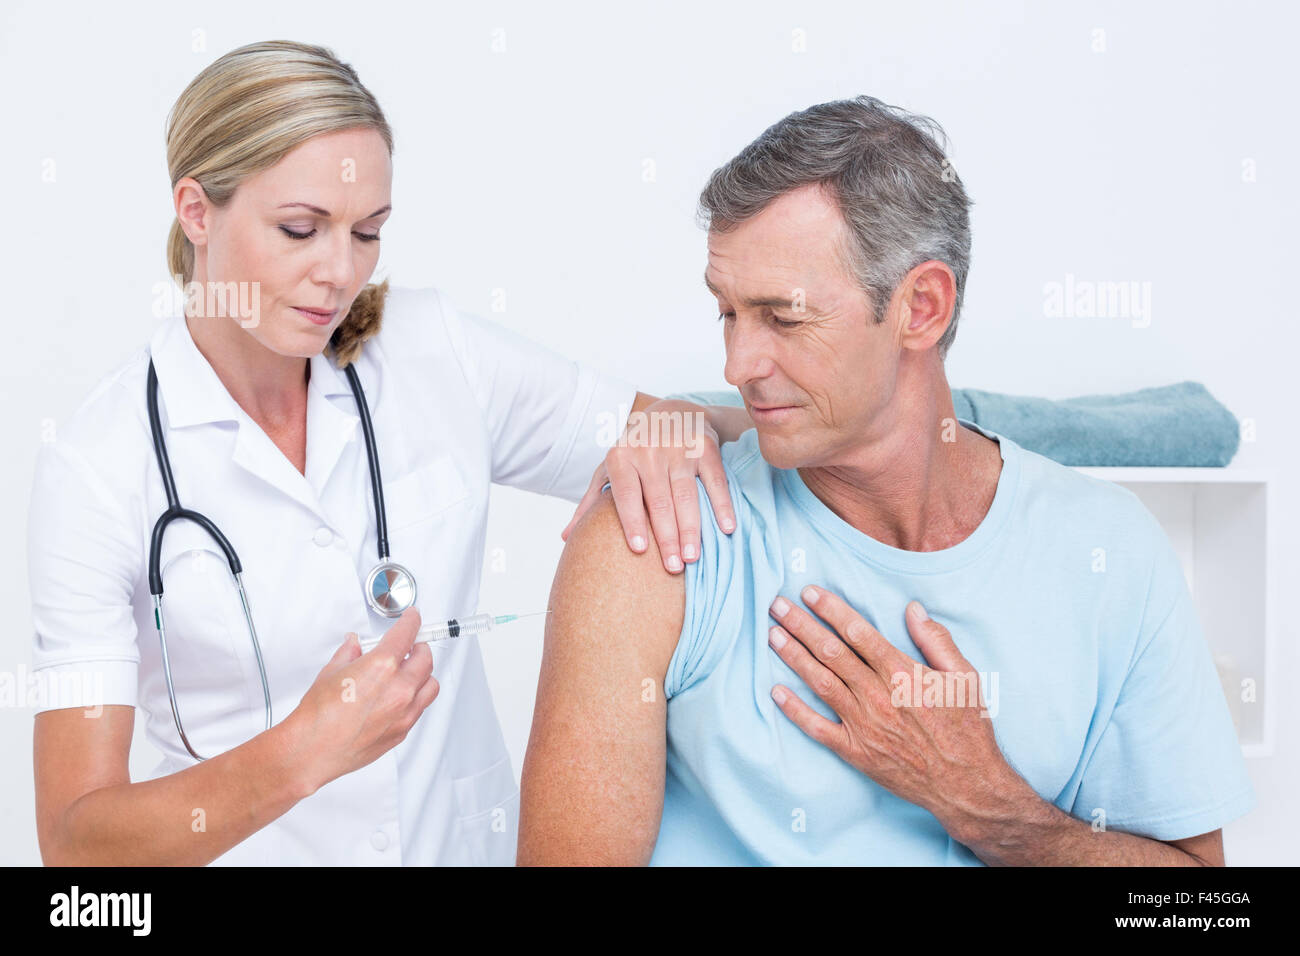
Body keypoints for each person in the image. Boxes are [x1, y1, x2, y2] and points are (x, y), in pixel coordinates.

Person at [27, 40, 750, 866]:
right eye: (299, 229)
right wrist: (303, 751)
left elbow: (657, 424)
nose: (339, 273)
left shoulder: (429, 350)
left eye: (367, 232)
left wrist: (682, 423)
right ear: (196, 210)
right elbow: (76, 840)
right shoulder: (96, 466)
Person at [517, 96, 1256, 866]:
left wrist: (989, 807)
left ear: (921, 308)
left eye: (784, 318)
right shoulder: (657, 537)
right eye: (728, 314)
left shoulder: (1110, 553)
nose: (737, 366)